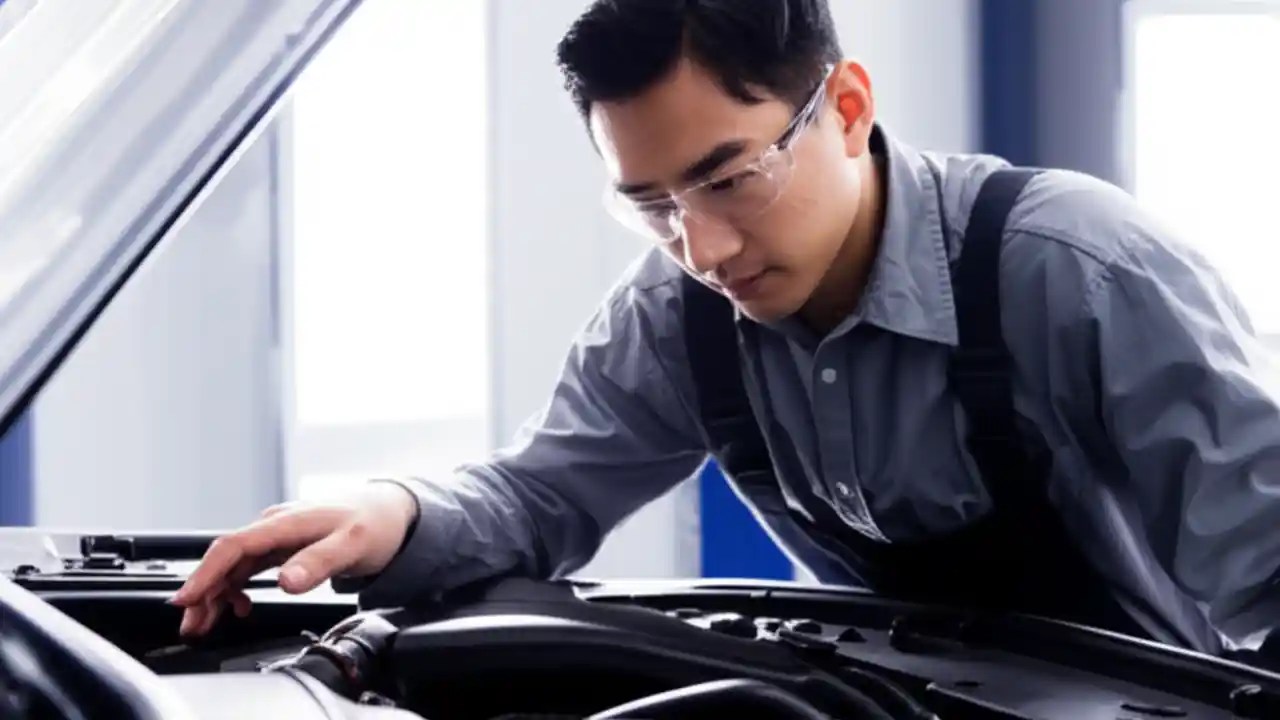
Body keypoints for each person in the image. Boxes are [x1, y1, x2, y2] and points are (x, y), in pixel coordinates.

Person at [170, 0, 1280, 657]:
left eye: (727, 177)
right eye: (648, 203)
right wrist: (391, 512)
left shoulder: (1076, 269)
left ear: (845, 108)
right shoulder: (676, 315)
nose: (699, 250)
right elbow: (539, 494)